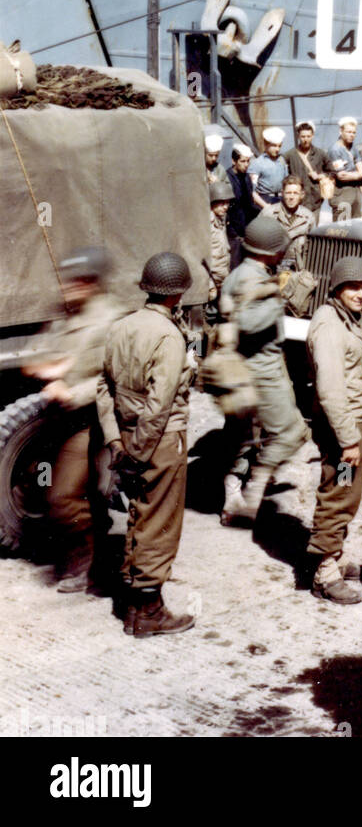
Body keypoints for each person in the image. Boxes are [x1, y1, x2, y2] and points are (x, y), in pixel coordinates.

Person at [95, 252, 197, 637]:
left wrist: (116, 441)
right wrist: (138, 451)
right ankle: (149, 611)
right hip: (160, 442)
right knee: (160, 521)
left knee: (140, 515)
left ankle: (136, 608)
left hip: (128, 438)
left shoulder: (121, 327)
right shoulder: (169, 336)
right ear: (177, 294)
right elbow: (160, 406)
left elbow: (103, 388)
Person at [22, 247, 124, 593]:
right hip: (62, 418)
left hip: (90, 420)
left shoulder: (109, 319)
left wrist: (72, 391)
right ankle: (96, 551)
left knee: (63, 497)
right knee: (66, 489)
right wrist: (46, 366)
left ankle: (84, 566)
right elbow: (46, 349)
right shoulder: (67, 314)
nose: (68, 287)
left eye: (77, 281)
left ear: (92, 283)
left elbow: (111, 379)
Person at [218, 217, 311, 524]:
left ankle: (241, 488)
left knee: (243, 433)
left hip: (246, 368)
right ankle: (247, 493)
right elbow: (247, 322)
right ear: (269, 251)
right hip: (259, 370)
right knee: (284, 432)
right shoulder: (255, 281)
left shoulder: (240, 274)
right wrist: (275, 297)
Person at [306, 257, 362, 605]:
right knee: (339, 492)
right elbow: (331, 388)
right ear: (336, 288)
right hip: (344, 432)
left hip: (352, 427)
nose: (361, 294)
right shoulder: (330, 326)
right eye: (353, 287)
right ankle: (325, 572)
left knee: (346, 491)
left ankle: (333, 554)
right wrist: (349, 440)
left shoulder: (343, 317)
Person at [261, 175, 315, 271]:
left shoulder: (308, 217)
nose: (291, 197)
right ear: (282, 193)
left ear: (302, 195)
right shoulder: (268, 213)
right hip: (270, 269)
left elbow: (313, 250)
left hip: (296, 270)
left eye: (295, 193)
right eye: (288, 193)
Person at [284, 120, 333, 216]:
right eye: (303, 136)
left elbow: (332, 172)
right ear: (298, 136)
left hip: (315, 201)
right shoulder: (290, 154)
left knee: (313, 229)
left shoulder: (320, 153)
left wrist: (320, 176)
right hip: (297, 201)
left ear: (312, 136)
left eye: (308, 136)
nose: (305, 139)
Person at [330, 115, 362, 220]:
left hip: (355, 192)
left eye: (354, 132)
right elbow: (341, 176)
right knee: (342, 226)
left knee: (356, 224)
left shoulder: (352, 147)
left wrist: (357, 174)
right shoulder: (335, 150)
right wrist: (358, 175)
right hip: (342, 194)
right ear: (341, 132)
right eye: (348, 132)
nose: (352, 135)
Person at [207, 178, 233, 305]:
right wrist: (209, 283)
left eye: (227, 203)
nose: (226, 207)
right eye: (222, 203)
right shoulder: (206, 223)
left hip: (222, 277)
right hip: (210, 279)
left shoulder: (221, 219)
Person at [248, 126, 288, 207]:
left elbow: (286, 181)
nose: (277, 149)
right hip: (265, 200)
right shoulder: (257, 163)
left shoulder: (282, 160)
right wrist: (265, 206)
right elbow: (252, 191)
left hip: (281, 200)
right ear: (266, 145)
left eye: (279, 146)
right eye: (274, 146)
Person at [226, 141, 258, 242]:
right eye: (243, 161)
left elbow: (249, 202)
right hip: (233, 226)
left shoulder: (246, 177)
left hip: (246, 224)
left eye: (248, 161)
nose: (246, 165)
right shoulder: (228, 178)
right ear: (233, 161)